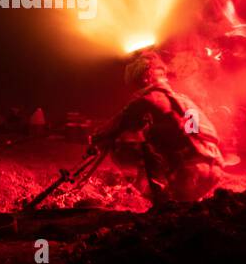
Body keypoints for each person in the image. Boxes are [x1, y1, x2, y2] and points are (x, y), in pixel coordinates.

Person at [90, 50, 225, 205]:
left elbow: (116, 126)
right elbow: (192, 134)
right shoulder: (184, 102)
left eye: (136, 84)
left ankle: (161, 199)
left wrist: (95, 138)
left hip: (190, 173)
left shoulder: (147, 100)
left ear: (145, 78)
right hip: (214, 167)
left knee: (140, 146)